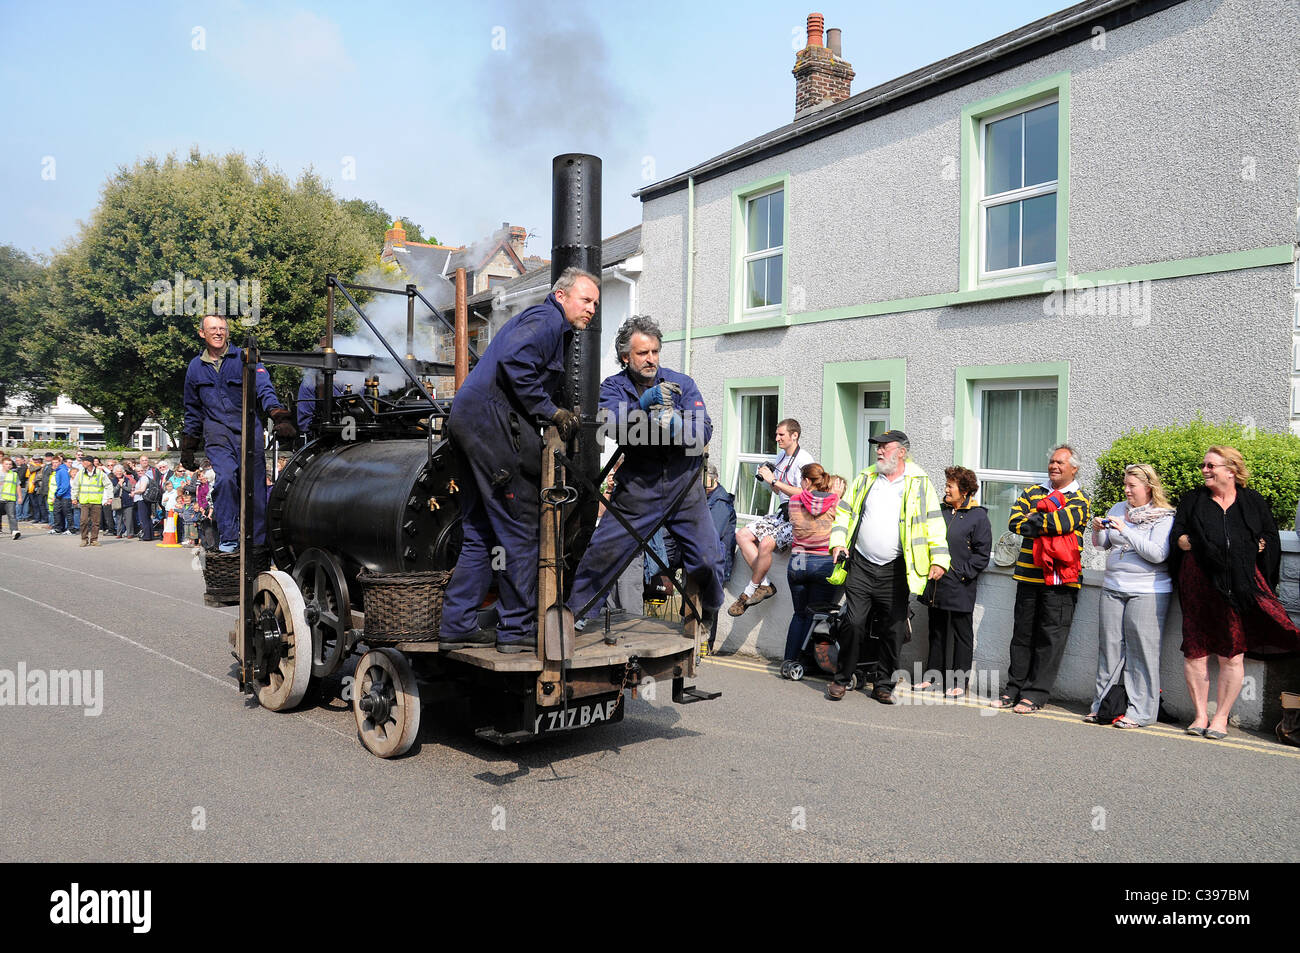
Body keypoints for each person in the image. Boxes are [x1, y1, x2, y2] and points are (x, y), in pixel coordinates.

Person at [438, 267, 598, 653]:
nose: (591, 308)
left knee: (480, 531)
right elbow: (515, 362)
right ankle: (515, 631)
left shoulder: (544, 323)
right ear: (561, 296)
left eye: (595, 303)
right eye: (585, 299)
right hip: (490, 426)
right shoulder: (546, 320)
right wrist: (551, 412)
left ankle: (456, 624)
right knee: (521, 530)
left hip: (469, 422)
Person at [568, 314, 722, 632]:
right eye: (642, 353)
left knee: (708, 557)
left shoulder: (682, 383)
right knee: (603, 553)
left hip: (683, 487)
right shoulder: (613, 387)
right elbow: (612, 425)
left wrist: (674, 423)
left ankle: (710, 606)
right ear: (626, 356)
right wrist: (645, 407)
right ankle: (576, 617)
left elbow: (701, 432)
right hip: (638, 488)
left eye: (654, 351)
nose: (650, 358)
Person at [1170, 446, 1300, 740]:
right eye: (1203, 465)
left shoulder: (1252, 501)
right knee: (1196, 650)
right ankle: (1200, 715)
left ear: (1231, 470)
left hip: (1238, 587)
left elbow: (1268, 536)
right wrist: (1188, 542)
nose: (1204, 470)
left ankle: (1220, 718)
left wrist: (1253, 547)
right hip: (1198, 585)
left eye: (1211, 465)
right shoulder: (1193, 500)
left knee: (1232, 654)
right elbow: (1177, 536)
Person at [826, 431, 949, 703]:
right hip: (860, 565)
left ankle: (884, 684)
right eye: (877, 447)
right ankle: (841, 679)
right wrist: (837, 542)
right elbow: (844, 512)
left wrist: (940, 559)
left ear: (902, 452)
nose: (879, 451)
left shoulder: (919, 482)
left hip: (896, 570)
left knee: (893, 630)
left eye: (884, 447)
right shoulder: (866, 477)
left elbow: (934, 523)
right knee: (853, 623)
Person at [182, 314, 296, 553]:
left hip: (248, 430)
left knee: (253, 485)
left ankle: (257, 541)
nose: (218, 332)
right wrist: (188, 445)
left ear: (228, 333)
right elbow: (192, 409)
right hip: (217, 434)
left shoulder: (245, 358)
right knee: (224, 479)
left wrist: (277, 414)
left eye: (222, 328)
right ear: (202, 334)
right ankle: (229, 537)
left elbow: (265, 388)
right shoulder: (195, 367)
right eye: (212, 328)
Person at [992, 444, 1091, 714]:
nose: (1054, 466)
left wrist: (1036, 520)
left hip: (1061, 581)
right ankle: (1014, 688)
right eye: (1051, 461)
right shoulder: (1033, 491)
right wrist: (1045, 522)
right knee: (1022, 637)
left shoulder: (1080, 498)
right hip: (1028, 576)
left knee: (1050, 640)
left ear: (1074, 468)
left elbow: (1067, 523)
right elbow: (1014, 522)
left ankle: (1035, 694)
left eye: (1060, 462)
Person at [1084, 463, 1175, 728]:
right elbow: (1102, 546)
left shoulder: (1163, 516)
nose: (1126, 490)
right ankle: (1102, 707)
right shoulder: (1117, 509)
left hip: (1147, 591)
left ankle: (1141, 712)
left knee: (1141, 653)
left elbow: (1158, 554)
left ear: (1148, 487)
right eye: (1125, 485)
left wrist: (1126, 530)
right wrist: (1098, 529)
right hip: (1113, 587)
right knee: (1109, 649)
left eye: (1132, 486)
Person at [916, 466, 991, 698]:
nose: (946, 489)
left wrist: (961, 574)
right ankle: (932, 677)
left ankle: (959, 682)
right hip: (937, 583)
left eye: (951, 485)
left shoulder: (979, 516)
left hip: (960, 585)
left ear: (965, 490)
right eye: (947, 484)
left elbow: (982, 555)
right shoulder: (940, 511)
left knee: (962, 634)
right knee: (936, 631)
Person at [730, 419, 814, 616]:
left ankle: (749, 590)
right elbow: (779, 492)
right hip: (781, 512)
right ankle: (766, 585)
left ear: (794, 435)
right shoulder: (781, 457)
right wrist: (769, 480)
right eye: (776, 435)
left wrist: (774, 480)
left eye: (781, 435)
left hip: (798, 514)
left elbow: (805, 494)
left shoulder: (805, 460)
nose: (776, 439)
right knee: (742, 535)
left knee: (766, 543)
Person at [781, 463, 841, 671]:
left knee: (799, 613)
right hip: (824, 561)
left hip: (798, 561)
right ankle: (805, 662)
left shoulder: (794, 501)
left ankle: (789, 659)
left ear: (807, 481)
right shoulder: (836, 502)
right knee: (815, 614)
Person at [705, 464, 737, 652]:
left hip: (714, 562)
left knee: (709, 606)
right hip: (704, 559)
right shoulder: (707, 496)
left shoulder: (720, 502)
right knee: (695, 603)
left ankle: (705, 644)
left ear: (714, 478)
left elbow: (712, 534)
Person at [73, 456, 109, 547]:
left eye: (84, 461)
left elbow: (108, 485)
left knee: (96, 522)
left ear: (90, 462)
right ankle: (84, 539)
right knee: (83, 521)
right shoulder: (80, 473)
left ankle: (94, 540)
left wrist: (109, 497)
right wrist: (74, 497)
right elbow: (75, 486)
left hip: (96, 501)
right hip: (84, 501)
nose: (83, 463)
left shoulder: (100, 473)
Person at [133, 456, 159, 541]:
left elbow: (142, 489)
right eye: (138, 471)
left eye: (142, 470)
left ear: (144, 471)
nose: (140, 472)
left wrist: (134, 492)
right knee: (147, 517)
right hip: (144, 500)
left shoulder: (144, 478)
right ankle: (149, 534)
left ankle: (147, 536)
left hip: (142, 500)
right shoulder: (143, 478)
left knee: (144, 518)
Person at [48, 453, 73, 535]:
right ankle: (58, 528)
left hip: (65, 496)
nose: (54, 464)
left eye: (56, 462)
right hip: (59, 495)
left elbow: (65, 485)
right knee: (57, 512)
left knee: (67, 513)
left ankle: (71, 529)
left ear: (60, 462)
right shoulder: (57, 471)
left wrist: (59, 494)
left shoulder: (62, 471)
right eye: (53, 463)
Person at [1, 457, 21, 539]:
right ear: (2, 464)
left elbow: (18, 486)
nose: (8, 466)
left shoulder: (14, 474)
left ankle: (14, 531)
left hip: (10, 499)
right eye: (6, 464)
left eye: (10, 464)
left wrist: (20, 497)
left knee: (12, 515)